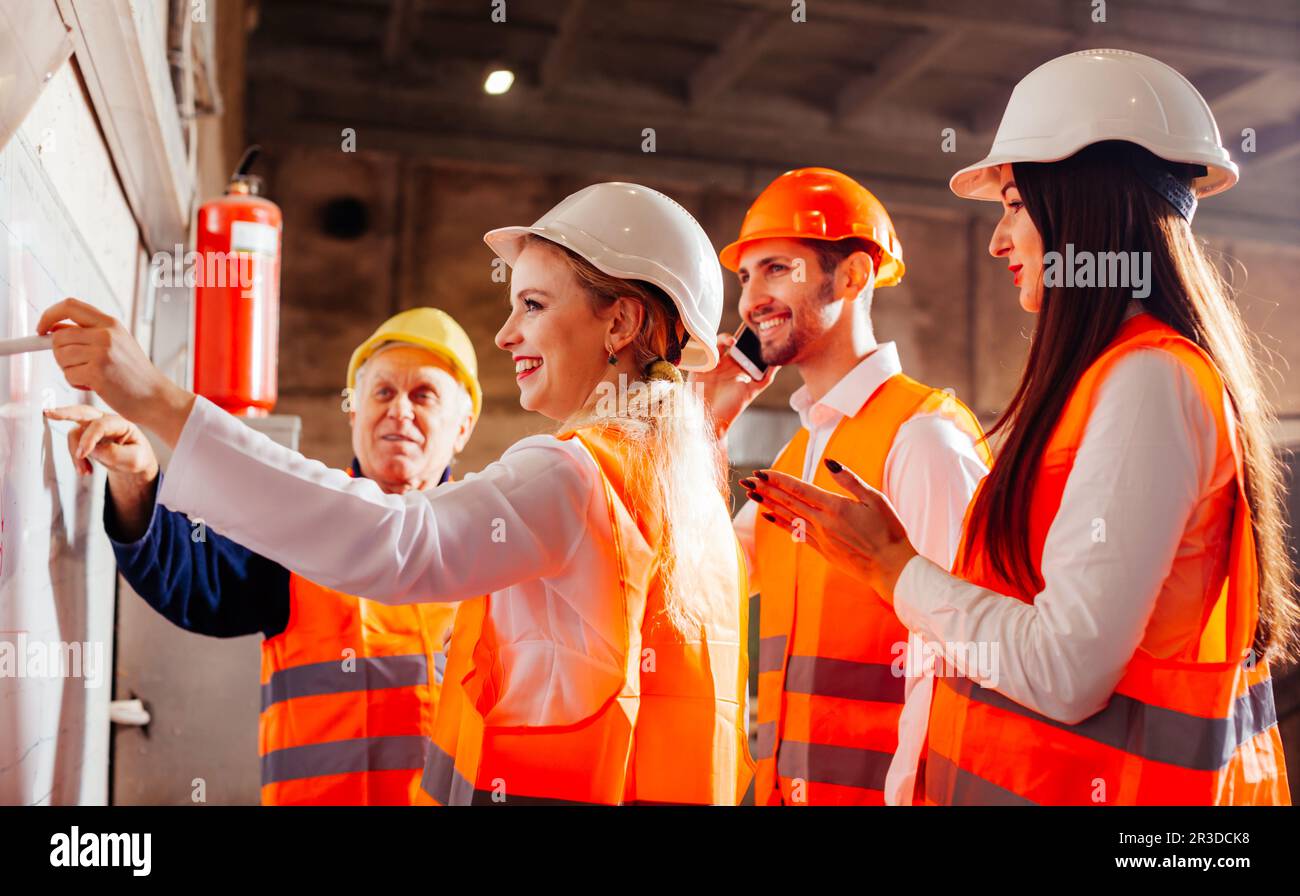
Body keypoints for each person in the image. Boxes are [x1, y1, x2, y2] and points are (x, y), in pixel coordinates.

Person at [38, 182, 753, 806]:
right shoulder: (694, 516)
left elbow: (395, 540)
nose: (507, 334)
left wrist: (159, 401)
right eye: (381, 391)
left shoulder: (571, 474)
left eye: (532, 304)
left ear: (620, 323)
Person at [742, 49, 1295, 805]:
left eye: (1013, 204)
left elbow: (1065, 672)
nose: (999, 241)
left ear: (1084, 203)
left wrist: (893, 567)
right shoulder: (1104, 385)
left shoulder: (1150, 383)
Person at [45, 308, 480, 805]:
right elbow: (192, 579)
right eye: (382, 392)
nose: (400, 410)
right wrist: (137, 478)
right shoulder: (301, 522)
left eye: (423, 394)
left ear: (463, 426)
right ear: (355, 411)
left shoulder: (490, 552)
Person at [691, 167, 991, 805]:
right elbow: (701, 580)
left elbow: (967, 657)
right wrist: (708, 422)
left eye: (777, 268)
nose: (748, 303)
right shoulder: (800, 454)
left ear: (852, 276)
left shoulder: (924, 439)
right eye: (745, 278)